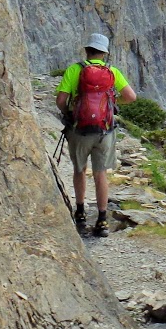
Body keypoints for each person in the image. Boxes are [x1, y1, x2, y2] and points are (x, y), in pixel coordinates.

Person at [56, 32, 137, 237]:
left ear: (87, 50)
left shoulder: (74, 70)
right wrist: (112, 103)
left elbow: (60, 101)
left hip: (79, 130)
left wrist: (69, 114)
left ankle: (80, 213)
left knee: (80, 170)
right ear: (104, 53)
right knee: (100, 174)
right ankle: (102, 220)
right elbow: (131, 96)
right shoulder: (112, 71)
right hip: (104, 131)